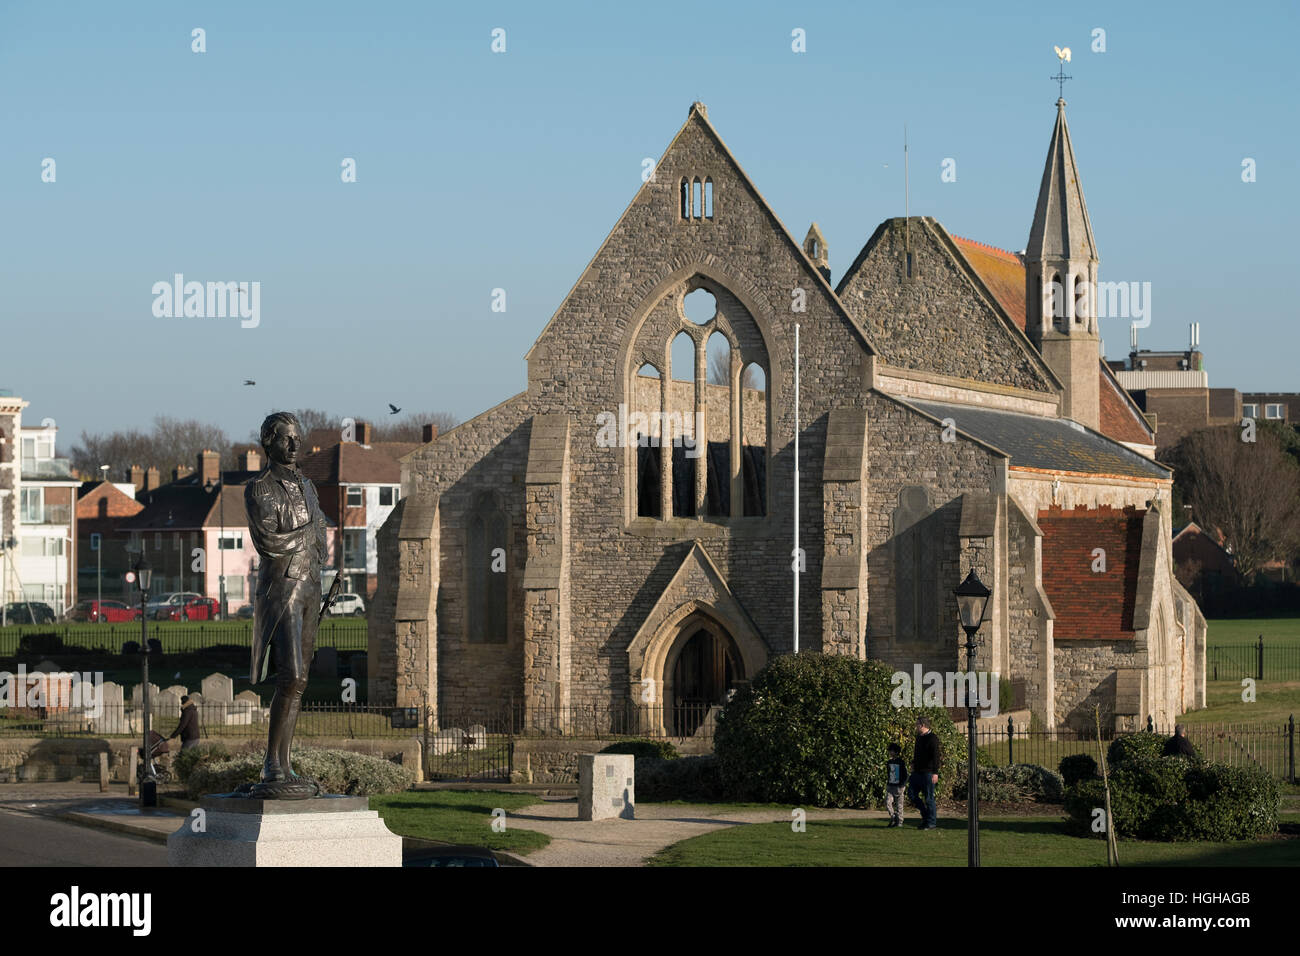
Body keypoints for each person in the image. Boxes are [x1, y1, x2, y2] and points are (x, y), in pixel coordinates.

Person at [246, 411, 328, 786]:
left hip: (310, 585)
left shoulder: (308, 486)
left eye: (297, 437)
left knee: (300, 681)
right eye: (285, 438)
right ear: (268, 442)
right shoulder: (259, 488)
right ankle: (270, 765)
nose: (294, 444)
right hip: (282, 589)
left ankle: (284, 764)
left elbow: (322, 529)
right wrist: (308, 534)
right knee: (289, 676)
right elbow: (268, 542)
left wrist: (318, 548)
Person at [907, 716, 942, 829]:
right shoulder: (919, 737)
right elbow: (917, 753)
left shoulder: (933, 738)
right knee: (911, 794)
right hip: (917, 772)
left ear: (922, 725)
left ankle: (931, 822)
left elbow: (936, 757)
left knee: (929, 798)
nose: (915, 727)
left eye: (917, 724)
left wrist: (935, 772)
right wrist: (913, 763)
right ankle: (926, 816)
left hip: (928, 773)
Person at [885, 742, 908, 828]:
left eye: (891, 751)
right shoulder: (889, 762)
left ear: (896, 752)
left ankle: (900, 821)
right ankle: (893, 817)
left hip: (899, 787)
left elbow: (905, 775)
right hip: (891, 786)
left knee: (899, 805)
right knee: (888, 801)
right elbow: (889, 774)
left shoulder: (901, 762)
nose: (890, 752)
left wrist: (903, 785)